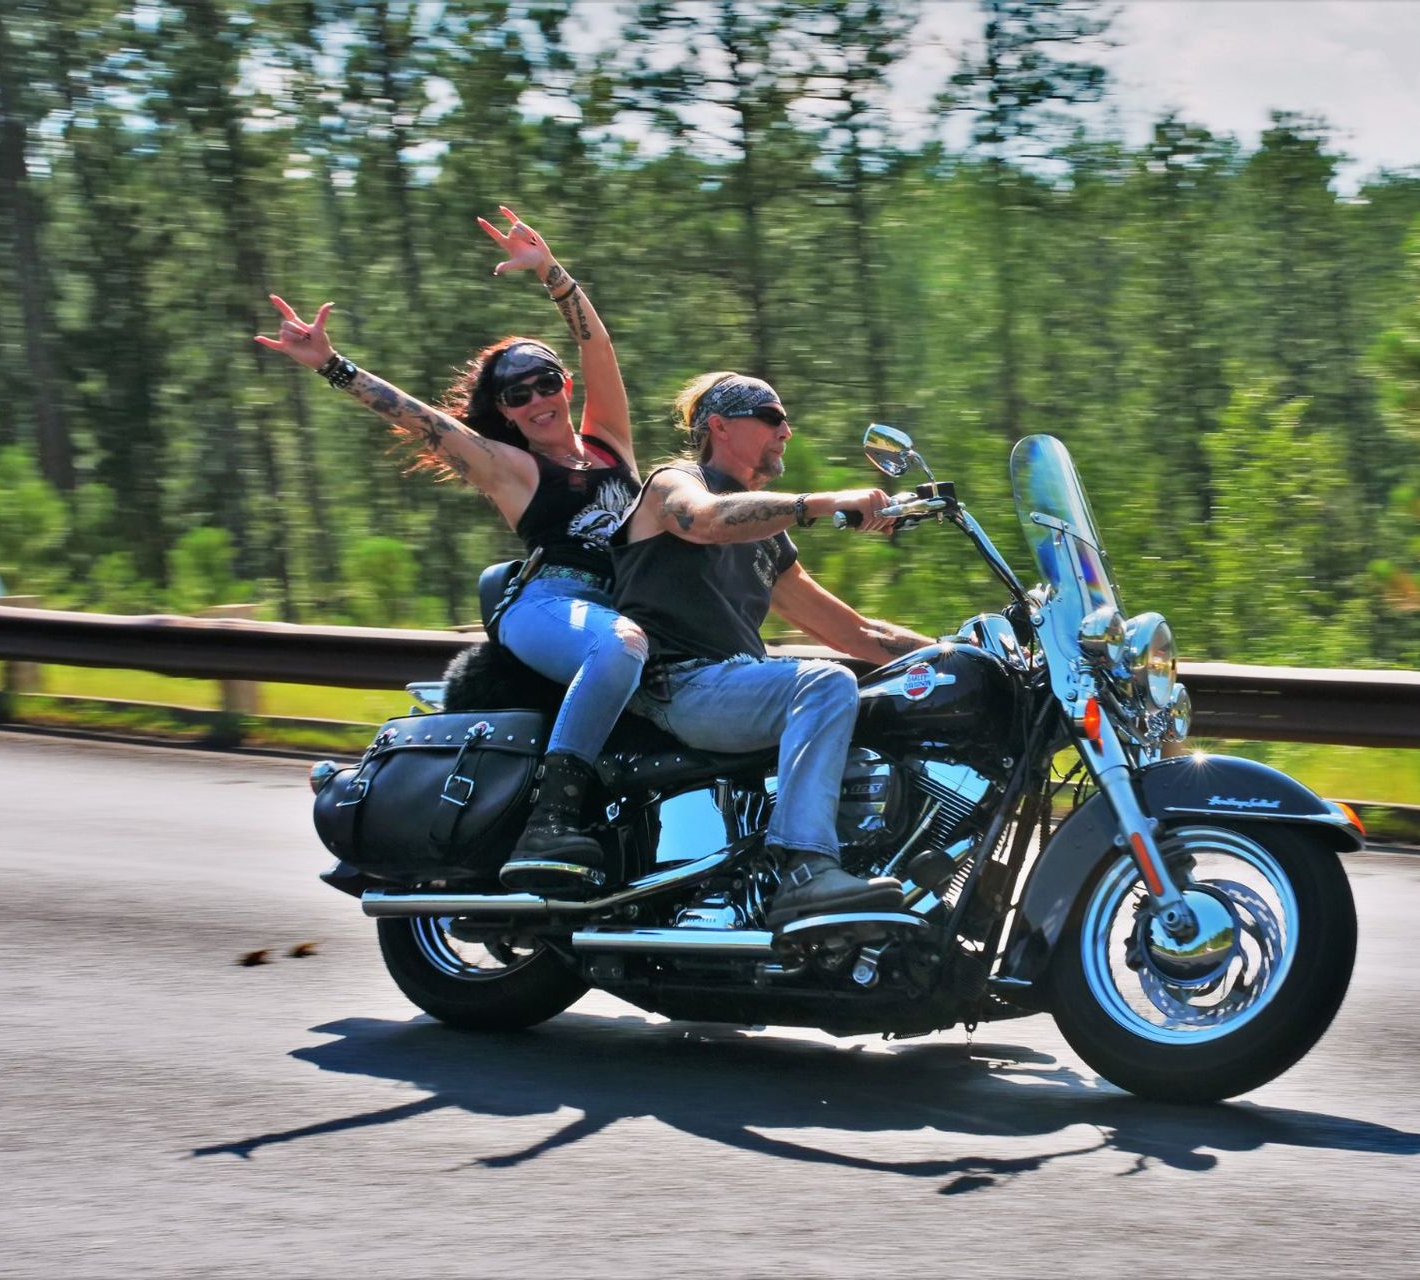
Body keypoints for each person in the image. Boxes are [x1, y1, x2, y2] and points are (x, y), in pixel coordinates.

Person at [256, 208, 646, 894]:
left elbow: (599, 348)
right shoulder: (511, 468)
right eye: (516, 395)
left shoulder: (609, 440)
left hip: (629, 601)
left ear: (565, 386)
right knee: (618, 649)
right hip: (557, 602)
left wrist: (552, 273)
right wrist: (331, 365)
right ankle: (548, 821)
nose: (536, 399)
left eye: (545, 381)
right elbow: (422, 419)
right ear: (506, 413)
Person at [612, 372, 936, 927]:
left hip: (733, 685)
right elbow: (710, 521)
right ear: (719, 426)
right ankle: (806, 866)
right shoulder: (673, 485)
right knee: (829, 681)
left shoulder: (764, 536)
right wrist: (821, 503)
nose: (786, 430)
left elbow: (860, 635)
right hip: (681, 685)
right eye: (770, 416)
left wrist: (960, 650)